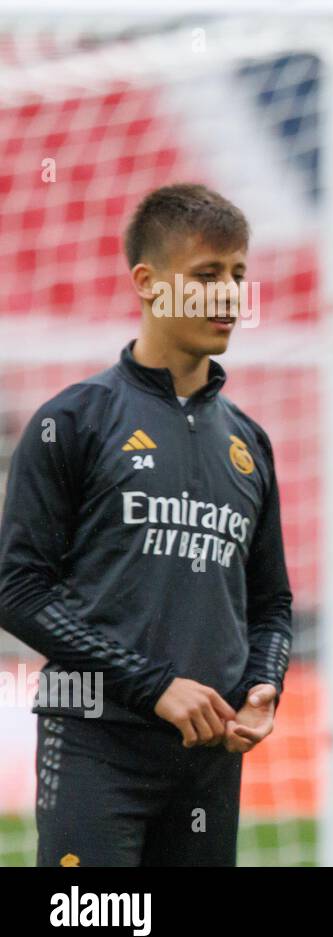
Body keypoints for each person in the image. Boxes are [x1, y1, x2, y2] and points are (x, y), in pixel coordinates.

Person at [0, 183, 293, 866]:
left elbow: (271, 605)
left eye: (238, 275)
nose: (229, 295)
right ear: (148, 283)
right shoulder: (72, 421)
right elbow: (18, 590)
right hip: (93, 739)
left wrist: (263, 682)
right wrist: (153, 684)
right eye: (207, 275)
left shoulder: (250, 444)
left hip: (208, 759)